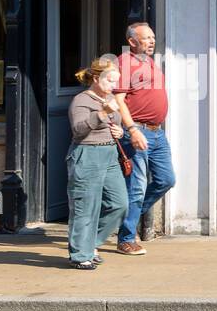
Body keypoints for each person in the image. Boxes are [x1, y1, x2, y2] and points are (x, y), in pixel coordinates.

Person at [114, 21, 175, 255]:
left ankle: (127, 219)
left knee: (166, 180)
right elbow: (119, 101)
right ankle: (126, 238)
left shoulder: (148, 62)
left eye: (152, 37)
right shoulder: (125, 63)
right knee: (137, 188)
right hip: (138, 132)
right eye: (146, 38)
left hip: (157, 132)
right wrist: (132, 130)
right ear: (132, 42)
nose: (151, 41)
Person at [66, 56, 128, 270]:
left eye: (115, 81)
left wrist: (119, 132)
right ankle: (80, 255)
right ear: (95, 77)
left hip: (110, 154)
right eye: (110, 81)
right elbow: (79, 129)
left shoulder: (108, 98)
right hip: (87, 154)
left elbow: (117, 122)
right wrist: (103, 113)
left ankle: (92, 243)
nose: (113, 86)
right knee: (85, 207)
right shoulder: (82, 100)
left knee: (120, 203)